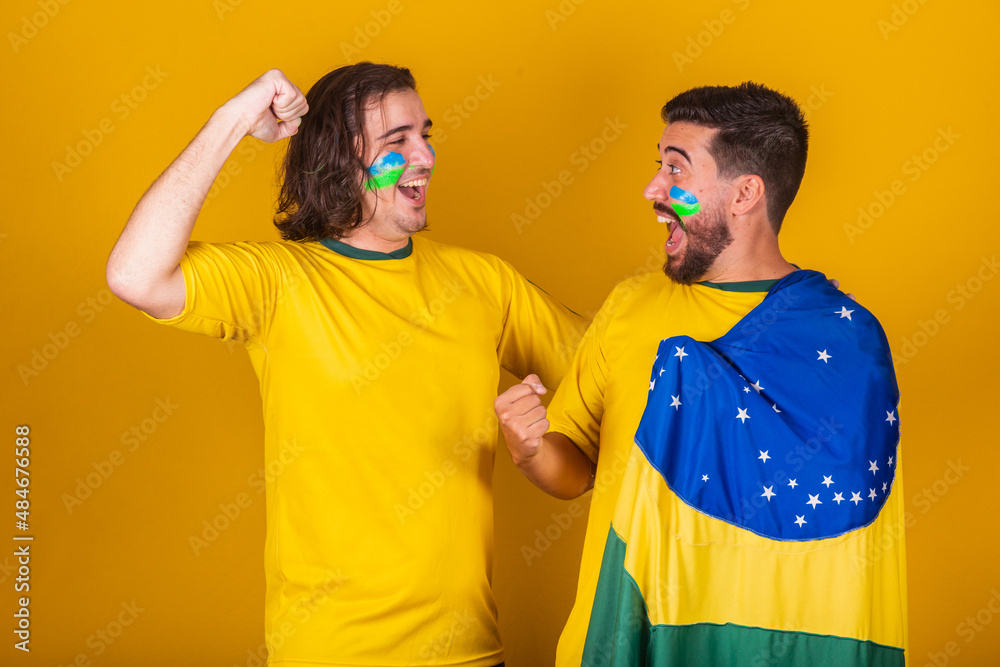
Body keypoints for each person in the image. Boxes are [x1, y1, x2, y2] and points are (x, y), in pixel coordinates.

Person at [106, 63, 585, 667]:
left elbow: (613, 370)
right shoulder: (278, 282)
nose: (426, 156)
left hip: (470, 652)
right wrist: (232, 119)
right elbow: (133, 274)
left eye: (425, 134)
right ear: (339, 160)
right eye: (397, 141)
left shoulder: (485, 282)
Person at [495, 82, 907, 665]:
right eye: (657, 166)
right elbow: (576, 470)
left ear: (744, 193)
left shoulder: (846, 338)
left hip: (768, 645)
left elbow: (848, 521)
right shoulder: (631, 305)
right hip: (628, 633)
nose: (652, 188)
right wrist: (530, 449)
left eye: (675, 170)